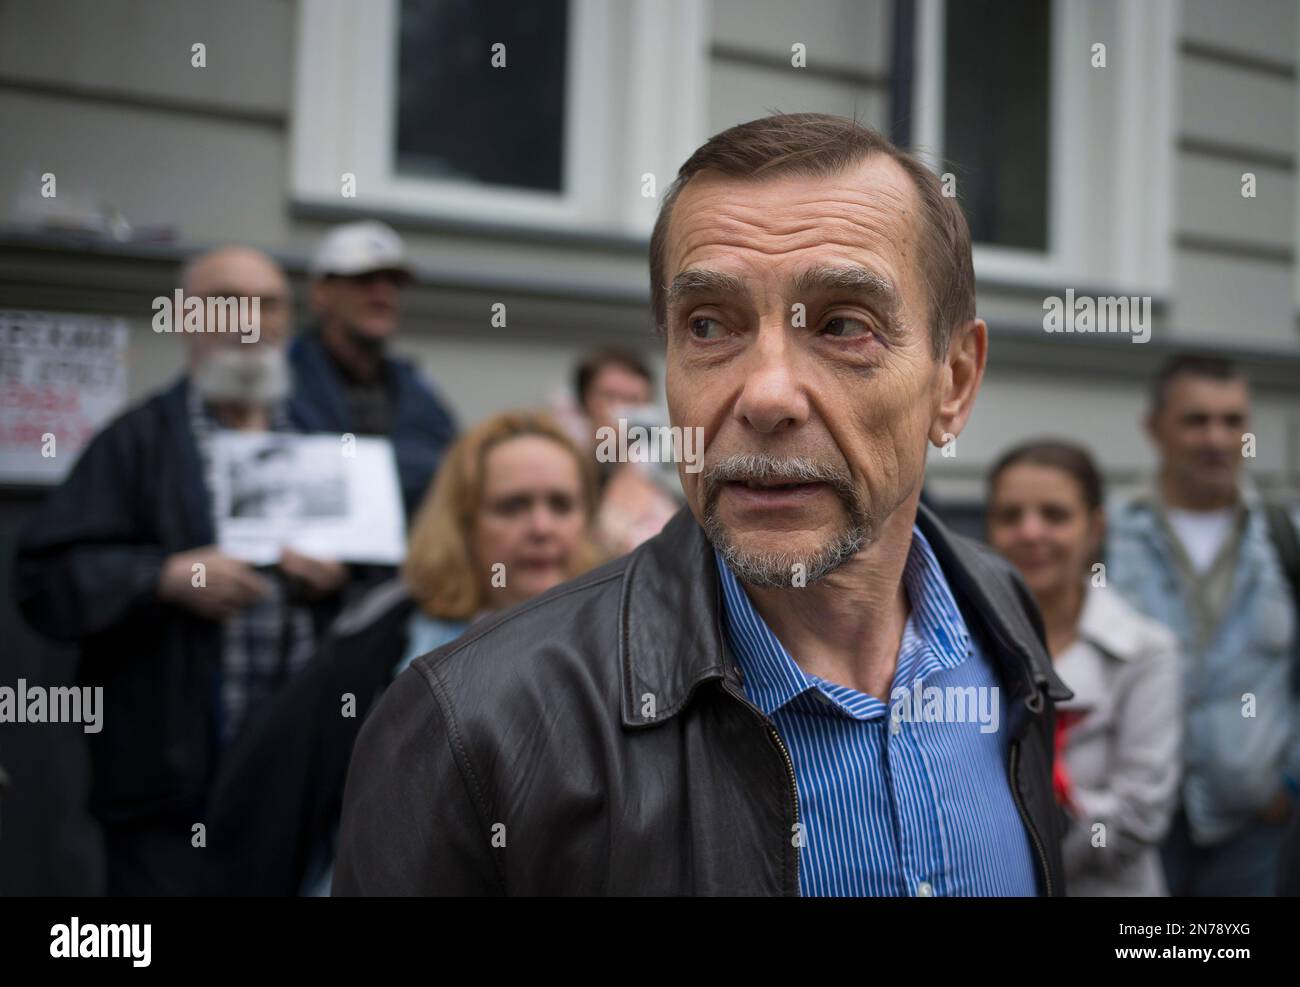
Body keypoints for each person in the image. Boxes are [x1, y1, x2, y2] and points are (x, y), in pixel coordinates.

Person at [334, 113, 1072, 896]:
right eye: (710, 325)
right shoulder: (475, 727)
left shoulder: (1000, 617)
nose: (766, 395)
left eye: (842, 324)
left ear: (953, 381)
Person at [14, 247, 351, 894]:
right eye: (228, 299)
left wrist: (337, 580)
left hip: (298, 791)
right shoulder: (137, 442)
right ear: (188, 316)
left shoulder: (326, 442)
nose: (251, 320)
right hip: (168, 799)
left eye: (270, 302)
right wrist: (163, 578)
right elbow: (44, 579)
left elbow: (392, 586)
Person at [198, 410, 602, 895]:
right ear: (463, 521)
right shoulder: (383, 639)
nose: (541, 527)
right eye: (512, 506)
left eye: (561, 505)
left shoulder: (620, 640)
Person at [1108, 355, 1300, 896]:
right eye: (1196, 421)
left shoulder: (1287, 538)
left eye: (1232, 420)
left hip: (1256, 829)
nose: (1216, 438)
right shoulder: (1109, 537)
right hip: (1141, 831)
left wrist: (1289, 781)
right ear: (1155, 428)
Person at [987, 440, 1181, 896]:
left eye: (1055, 515)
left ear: (1095, 528)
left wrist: (1013, 838)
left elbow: (1140, 818)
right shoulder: (958, 642)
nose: (1030, 532)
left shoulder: (1144, 651)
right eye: (1010, 516)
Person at [289, 220, 458, 519]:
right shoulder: (282, 381)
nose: (382, 293)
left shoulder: (415, 387)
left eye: (394, 282)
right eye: (364, 279)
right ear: (321, 293)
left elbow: (455, 468)